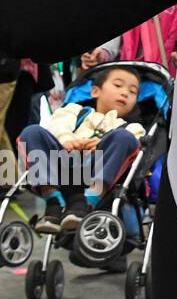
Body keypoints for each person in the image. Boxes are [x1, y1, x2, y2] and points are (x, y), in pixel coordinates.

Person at [17, 65, 146, 236]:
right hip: (62, 165)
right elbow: (58, 124)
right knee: (32, 132)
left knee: (125, 138)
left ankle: (88, 200)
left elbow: (131, 147)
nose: (125, 93)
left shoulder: (133, 128)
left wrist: (99, 144)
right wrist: (68, 140)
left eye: (133, 91)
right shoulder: (75, 110)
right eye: (117, 85)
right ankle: (53, 199)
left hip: (97, 168)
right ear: (94, 91)